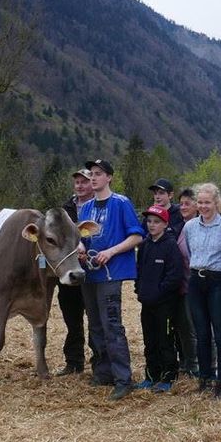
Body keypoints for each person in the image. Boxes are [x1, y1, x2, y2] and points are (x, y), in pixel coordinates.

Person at [77, 158, 145, 401]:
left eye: (98, 173)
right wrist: (81, 247)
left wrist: (111, 251)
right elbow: (82, 237)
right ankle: (102, 372)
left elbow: (137, 236)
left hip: (110, 273)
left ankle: (123, 379)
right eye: (91, 174)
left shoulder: (121, 203)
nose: (93, 178)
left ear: (109, 177)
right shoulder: (86, 208)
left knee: (112, 325)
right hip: (89, 273)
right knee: (94, 325)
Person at [181, 183, 221, 398]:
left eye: (207, 202)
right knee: (201, 333)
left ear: (216, 203)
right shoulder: (190, 227)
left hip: (218, 282)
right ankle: (204, 377)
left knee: (220, 334)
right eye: (200, 202)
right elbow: (190, 252)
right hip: (196, 282)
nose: (203, 206)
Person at [134, 205, 184, 393]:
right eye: (149, 221)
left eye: (156, 222)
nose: (152, 225)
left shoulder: (171, 246)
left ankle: (169, 376)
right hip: (147, 303)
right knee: (150, 340)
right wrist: (139, 289)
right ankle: (151, 375)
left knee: (165, 340)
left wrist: (160, 292)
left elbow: (175, 275)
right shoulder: (145, 245)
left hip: (165, 304)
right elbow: (139, 270)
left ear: (165, 224)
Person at [56, 168, 95, 376]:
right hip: (69, 271)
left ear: (93, 184)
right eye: (77, 182)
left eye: (84, 182)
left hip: (92, 270)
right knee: (72, 320)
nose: (80, 185)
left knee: (96, 320)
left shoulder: (99, 207)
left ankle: (99, 362)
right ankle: (74, 362)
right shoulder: (65, 210)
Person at [174, 187, 200, 377]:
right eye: (181, 204)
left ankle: (200, 365)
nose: (183, 207)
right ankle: (188, 362)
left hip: (196, 284)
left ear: (196, 206)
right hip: (181, 285)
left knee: (197, 327)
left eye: (187, 204)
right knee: (184, 327)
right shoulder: (179, 226)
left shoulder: (198, 227)